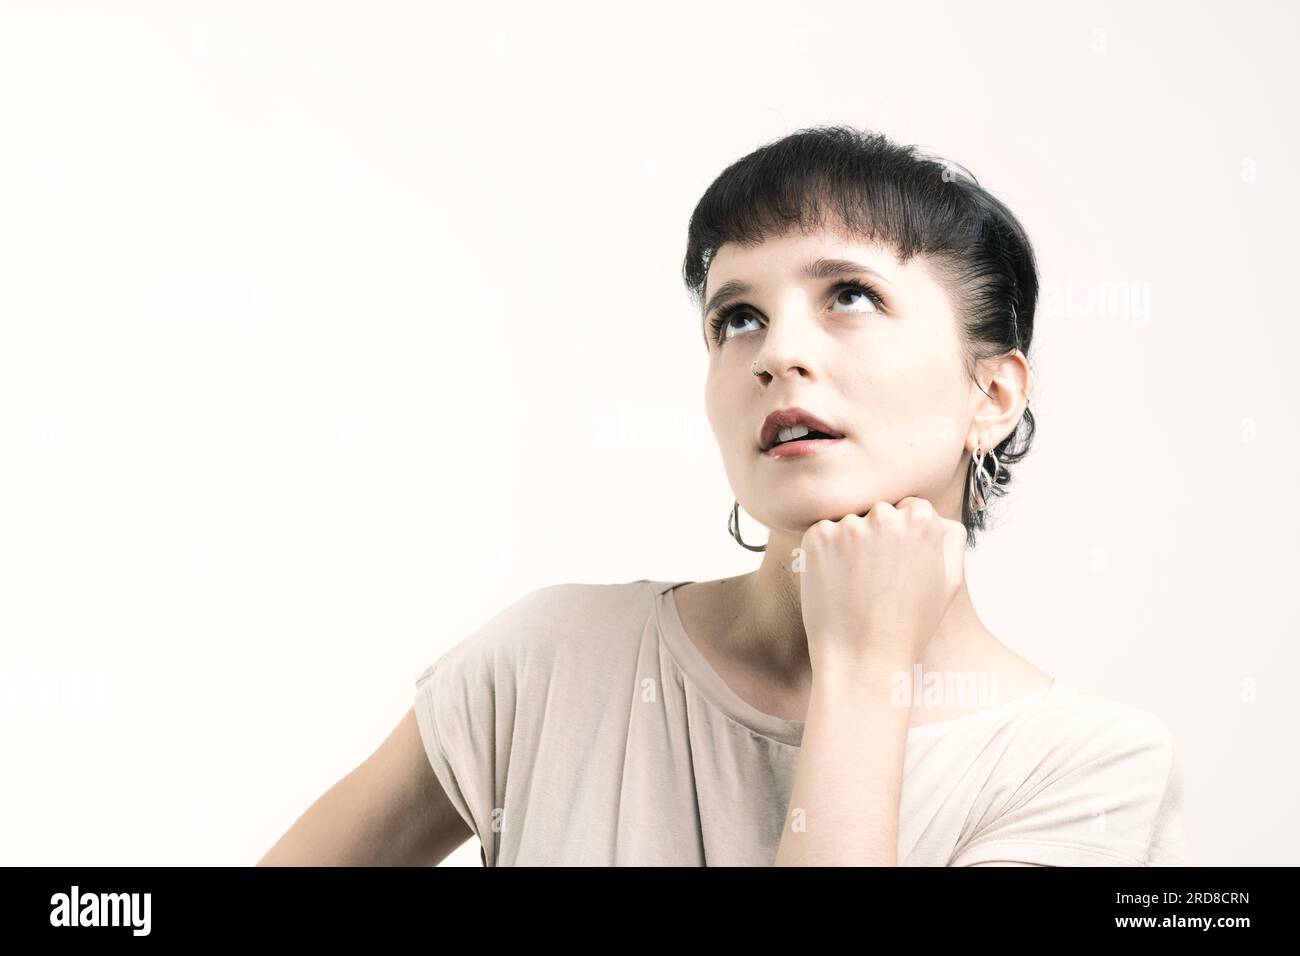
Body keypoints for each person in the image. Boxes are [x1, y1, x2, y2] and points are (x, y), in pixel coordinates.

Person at [258, 125, 1190, 867]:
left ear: (991, 394)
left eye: (851, 296)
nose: (777, 351)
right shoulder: (547, 661)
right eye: (736, 318)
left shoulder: (1092, 772)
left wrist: (864, 673)